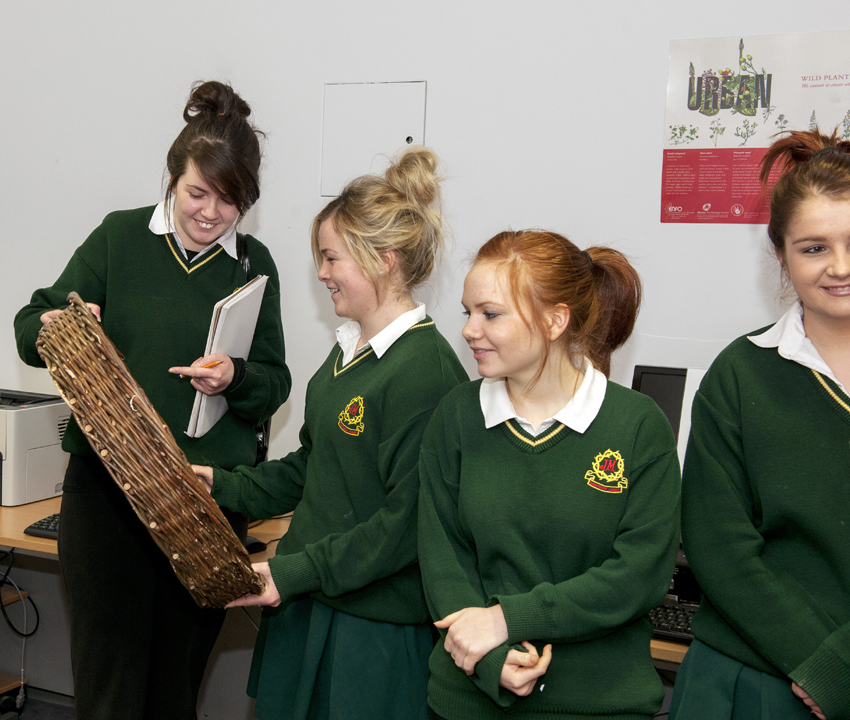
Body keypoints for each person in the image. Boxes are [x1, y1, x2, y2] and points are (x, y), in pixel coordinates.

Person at [14, 80, 290, 720]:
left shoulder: (256, 265)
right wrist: (62, 326)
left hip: (206, 503)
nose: (210, 213)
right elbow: (31, 328)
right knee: (110, 694)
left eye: (231, 201)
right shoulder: (119, 238)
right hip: (108, 499)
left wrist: (235, 377)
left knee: (174, 693)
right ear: (171, 178)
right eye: (198, 193)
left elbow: (275, 384)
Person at [188, 146, 466, 719]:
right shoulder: (345, 357)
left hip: (374, 628)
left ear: (383, 259)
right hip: (310, 601)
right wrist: (222, 484)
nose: (321, 273)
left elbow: (403, 527)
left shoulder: (425, 371)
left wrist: (292, 571)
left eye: (331, 257)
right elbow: (310, 468)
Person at [417, 230, 680, 719]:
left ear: (556, 320)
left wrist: (509, 619)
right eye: (467, 312)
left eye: (490, 314)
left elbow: (639, 575)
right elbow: (443, 559)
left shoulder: (638, 425)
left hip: (597, 703)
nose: (470, 330)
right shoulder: (455, 416)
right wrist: (490, 658)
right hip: (467, 698)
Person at [669, 130, 850, 720]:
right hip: (750, 678)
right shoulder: (740, 374)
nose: (838, 268)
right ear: (780, 255)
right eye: (813, 248)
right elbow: (719, 545)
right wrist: (819, 663)